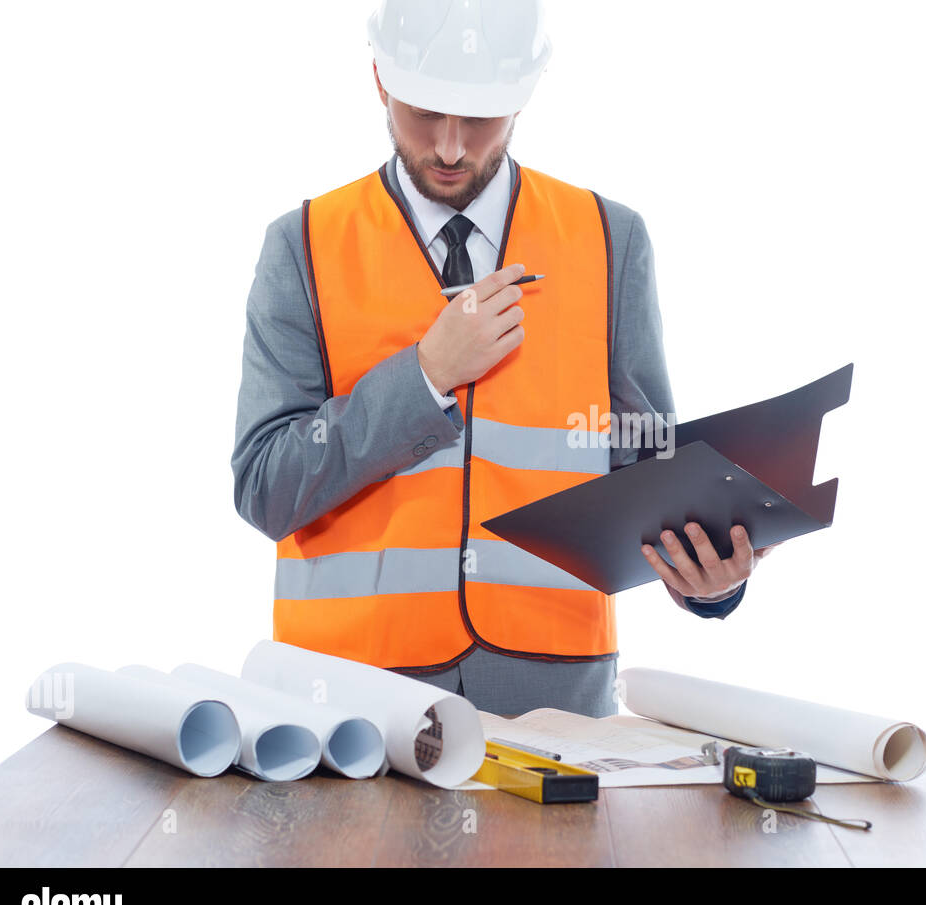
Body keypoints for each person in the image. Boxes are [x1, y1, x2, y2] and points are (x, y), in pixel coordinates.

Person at [231, 0, 773, 718]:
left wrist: (708, 577)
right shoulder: (302, 247)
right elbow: (266, 487)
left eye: (480, 117)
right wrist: (425, 375)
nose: (450, 148)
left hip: (554, 710)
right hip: (346, 712)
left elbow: (644, 474)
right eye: (424, 112)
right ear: (379, 81)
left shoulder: (612, 241)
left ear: (524, 96)